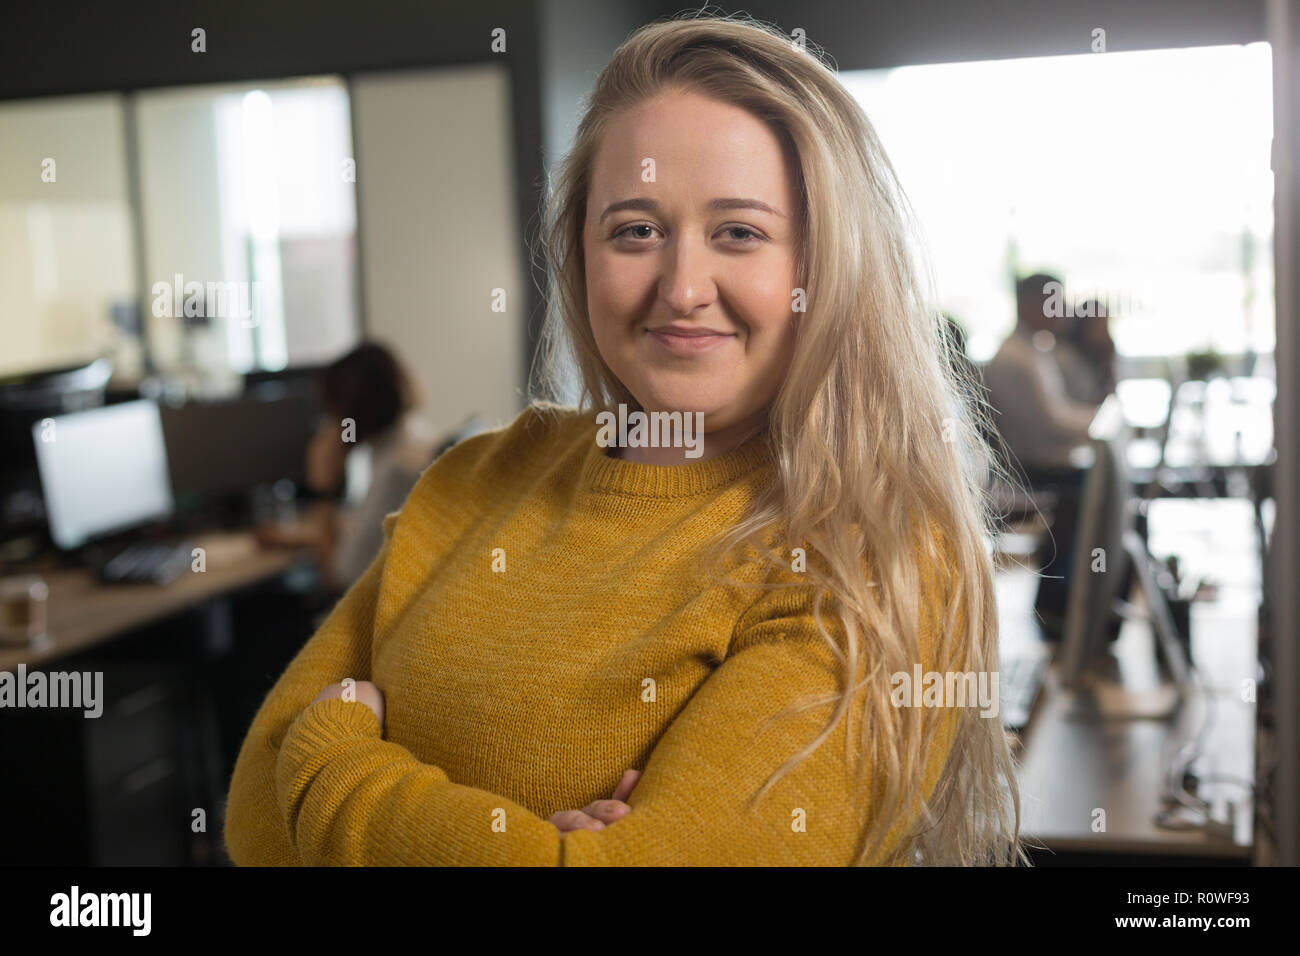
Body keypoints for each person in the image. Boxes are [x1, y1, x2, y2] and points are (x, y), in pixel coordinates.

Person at [225, 14, 1023, 867]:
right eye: (636, 230)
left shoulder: (869, 550)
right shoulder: (473, 478)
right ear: (580, 252)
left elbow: (294, 770)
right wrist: (526, 845)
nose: (682, 287)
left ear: (825, 267)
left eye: (739, 232)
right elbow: (250, 816)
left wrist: (335, 764)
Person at [254, 342, 439, 592]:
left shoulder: (395, 470)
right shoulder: (414, 441)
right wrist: (303, 537)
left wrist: (322, 486)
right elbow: (370, 530)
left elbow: (339, 576)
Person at [1056, 298, 1117, 406]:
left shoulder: (1098, 355)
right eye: (1099, 324)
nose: (1104, 332)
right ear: (1084, 324)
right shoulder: (1065, 357)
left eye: (1105, 324)